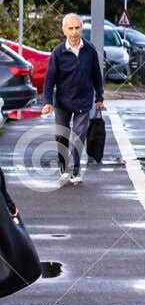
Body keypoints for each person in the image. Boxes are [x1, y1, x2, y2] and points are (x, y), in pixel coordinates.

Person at [39, 14, 105, 187]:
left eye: (77, 28)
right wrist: (47, 102)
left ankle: (75, 171)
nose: (74, 32)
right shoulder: (58, 52)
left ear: (82, 29)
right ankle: (63, 167)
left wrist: (99, 97)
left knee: (78, 136)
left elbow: (96, 75)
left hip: (83, 101)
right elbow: (49, 79)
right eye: (70, 28)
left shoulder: (89, 50)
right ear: (64, 30)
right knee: (61, 135)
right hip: (62, 102)